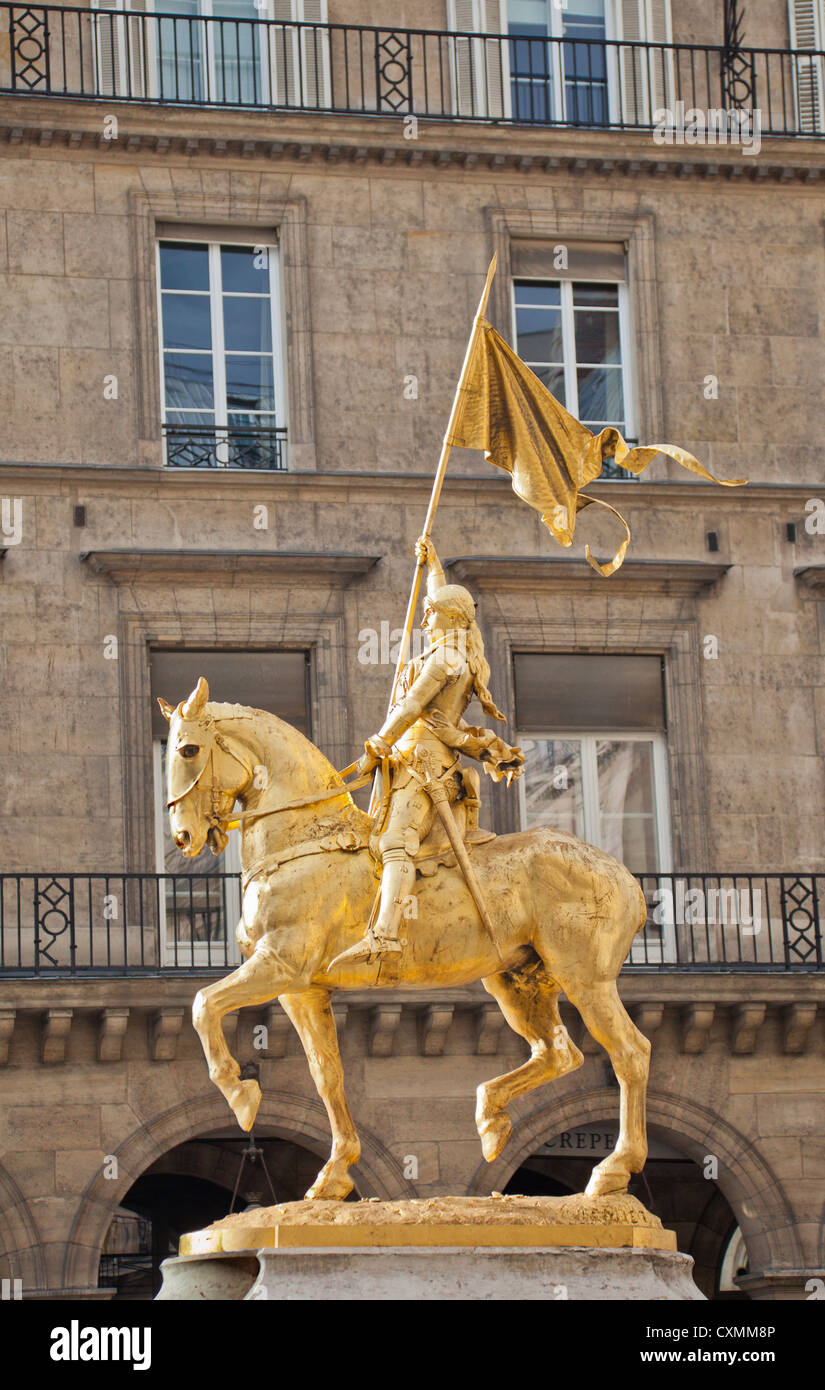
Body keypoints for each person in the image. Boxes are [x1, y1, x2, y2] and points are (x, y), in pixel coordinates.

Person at [331, 536, 523, 967]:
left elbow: (413, 706)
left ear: (448, 618)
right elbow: (442, 598)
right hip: (411, 759)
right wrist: (434, 564)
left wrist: (378, 742)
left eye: (430, 614)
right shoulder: (456, 651)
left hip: (424, 764)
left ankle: (385, 935)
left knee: (396, 842)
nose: (424, 620)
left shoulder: (445, 661)